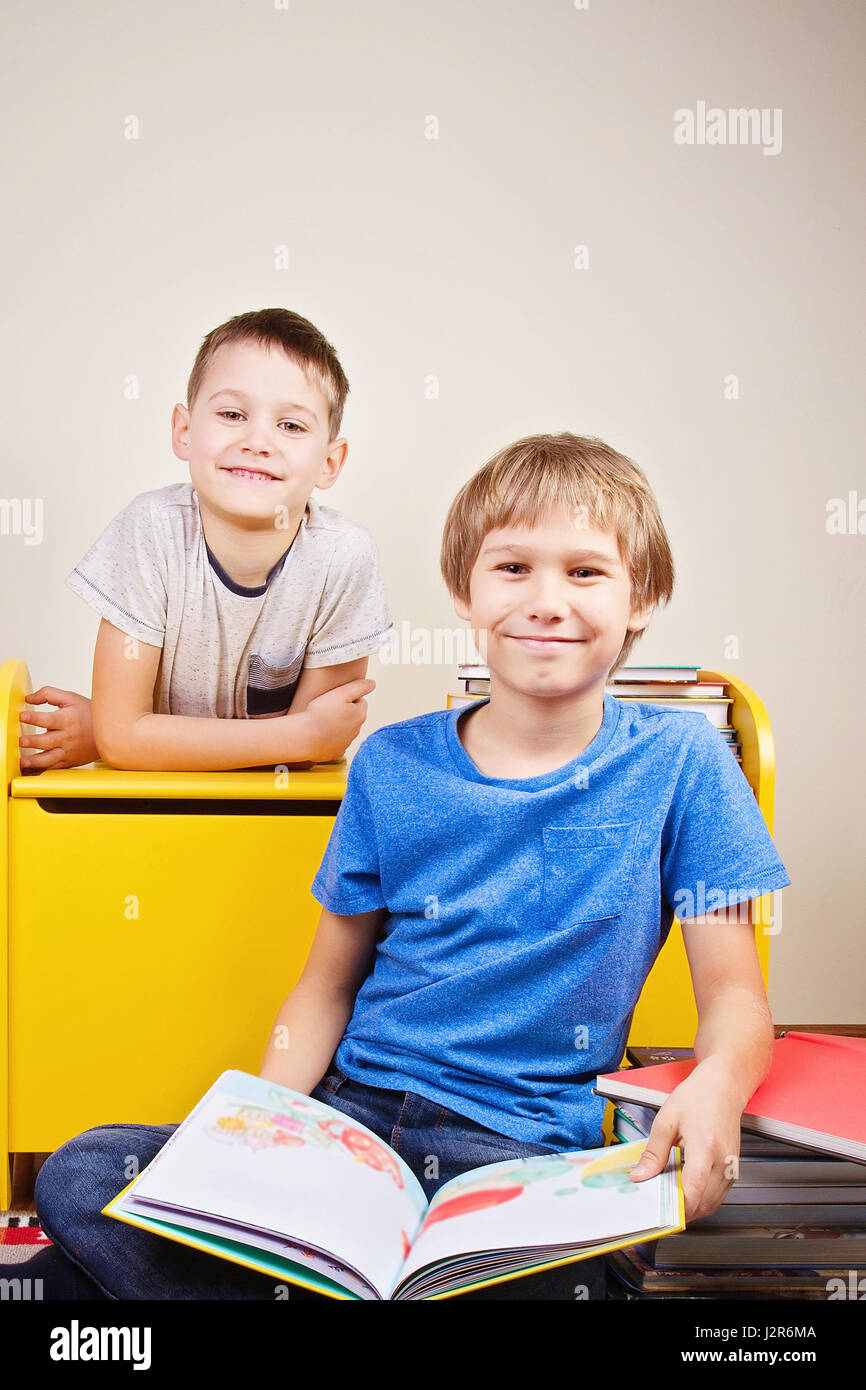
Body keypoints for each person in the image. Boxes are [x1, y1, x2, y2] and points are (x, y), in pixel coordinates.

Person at [34, 431, 790, 1300]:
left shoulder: (687, 763)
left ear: (642, 595)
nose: (546, 602)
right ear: (464, 590)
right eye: (513, 569)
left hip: (524, 1152)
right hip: (352, 1124)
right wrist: (252, 1127)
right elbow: (325, 988)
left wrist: (719, 1085)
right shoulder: (393, 767)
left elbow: (737, 997)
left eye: (585, 572)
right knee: (85, 1176)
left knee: (558, 1292)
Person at [18, 307, 390, 772]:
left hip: (275, 816)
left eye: (291, 425)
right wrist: (118, 735)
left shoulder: (343, 557)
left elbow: (310, 753)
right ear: (185, 431)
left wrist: (128, 735)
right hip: (152, 808)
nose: (258, 440)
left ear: (330, 463)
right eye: (233, 414)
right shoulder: (151, 529)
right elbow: (124, 737)